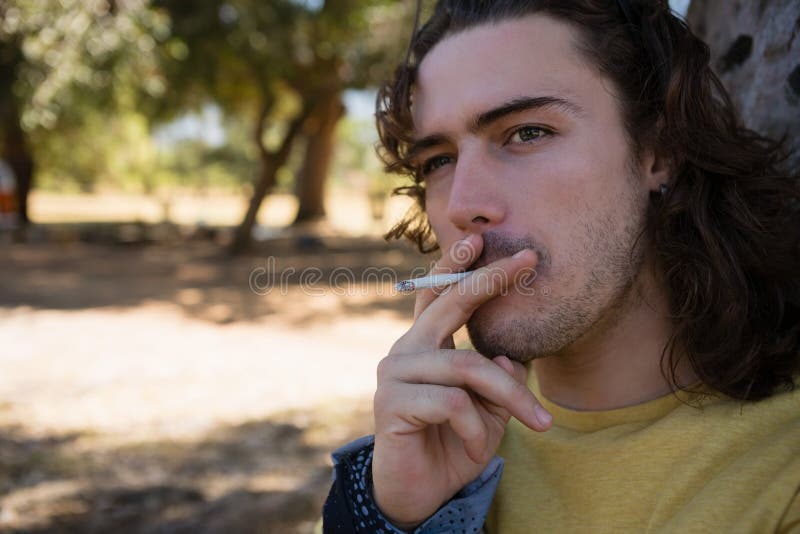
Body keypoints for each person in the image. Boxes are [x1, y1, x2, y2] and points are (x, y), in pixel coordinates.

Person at [323, 0, 800, 532]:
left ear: (658, 153)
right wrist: (390, 519)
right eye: (438, 160)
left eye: (527, 132)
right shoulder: (448, 445)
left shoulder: (781, 470)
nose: (462, 204)